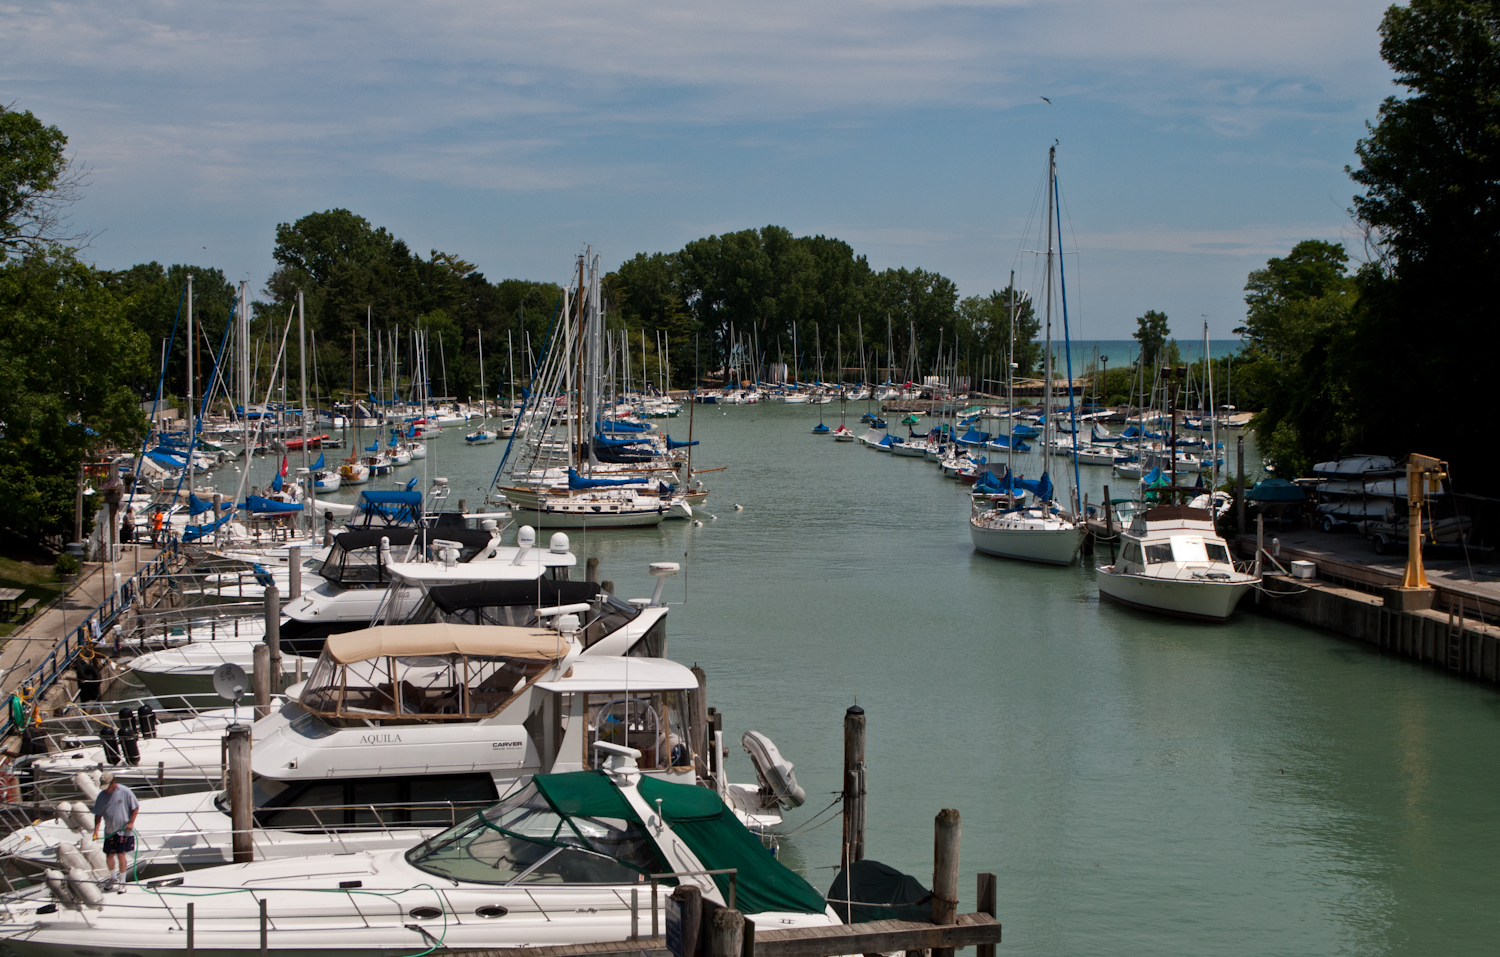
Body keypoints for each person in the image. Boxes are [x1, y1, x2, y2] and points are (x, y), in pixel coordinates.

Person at [91, 771, 139, 890]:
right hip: (109, 831)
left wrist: (131, 822)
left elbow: (135, 807)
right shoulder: (101, 796)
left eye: (107, 786)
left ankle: (122, 881)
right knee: (109, 857)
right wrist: (96, 831)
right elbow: (98, 814)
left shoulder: (125, 791)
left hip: (123, 831)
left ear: (113, 782)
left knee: (121, 855)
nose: (106, 789)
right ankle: (113, 878)